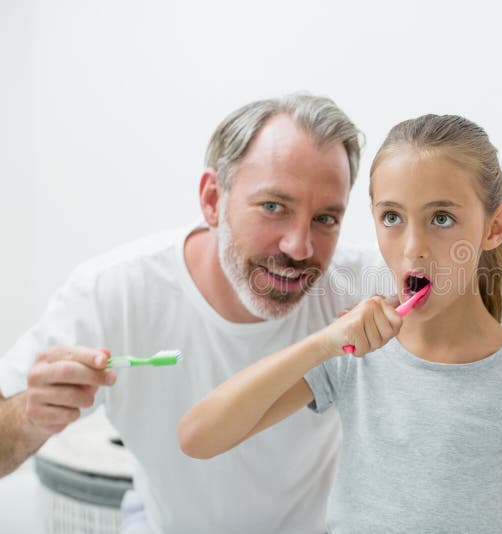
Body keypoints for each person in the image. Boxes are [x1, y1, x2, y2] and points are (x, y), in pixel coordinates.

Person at [179, 114, 502, 533]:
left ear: (494, 227)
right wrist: (322, 345)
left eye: (441, 218)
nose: (413, 248)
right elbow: (197, 437)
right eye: (392, 217)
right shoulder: (353, 354)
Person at [0, 94, 388, 533]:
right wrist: (30, 417)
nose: (299, 247)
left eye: (326, 219)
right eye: (273, 207)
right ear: (212, 199)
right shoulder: (115, 293)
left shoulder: (363, 288)